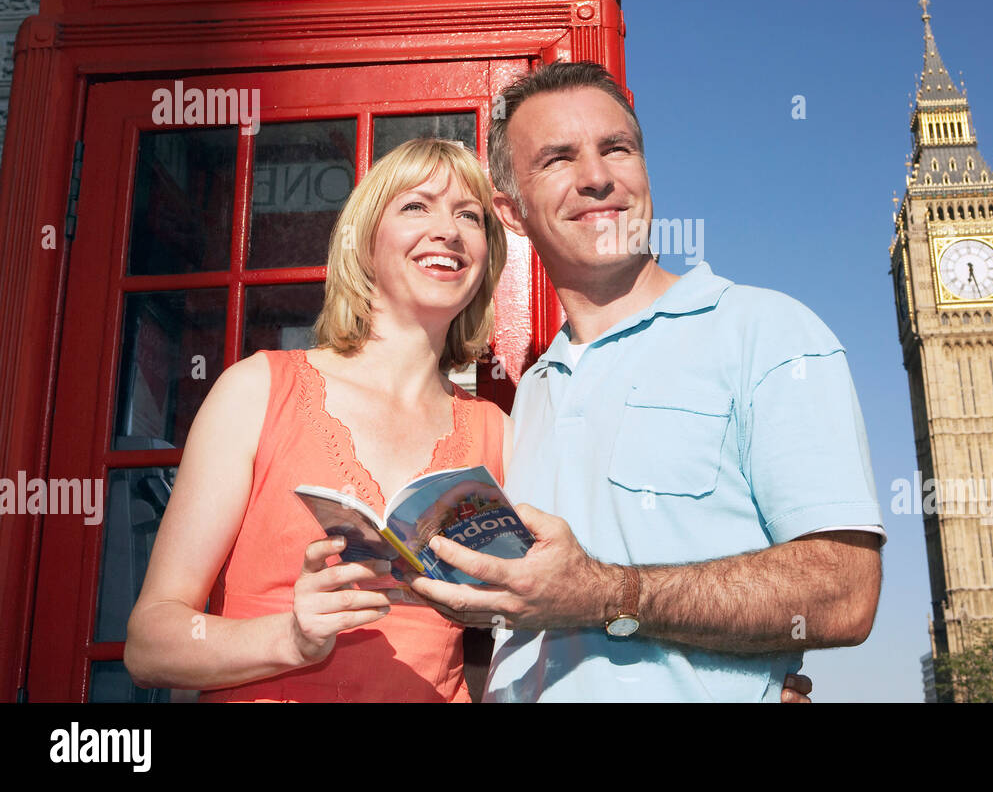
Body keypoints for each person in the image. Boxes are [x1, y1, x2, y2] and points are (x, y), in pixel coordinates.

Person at [408, 61, 886, 701]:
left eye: (617, 149)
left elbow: (846, 590)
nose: (597, 178)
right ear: (511, 212)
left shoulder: (766, 333)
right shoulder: (529, 394)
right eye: (558, 159)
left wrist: (605, 593)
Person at [124, 137, 510, 702]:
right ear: (364, 242)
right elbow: (148, 645)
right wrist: (291, 638)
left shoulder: (499, 431)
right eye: (415, 206)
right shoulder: (257, 390)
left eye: (468, 215)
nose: (447, 230)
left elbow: (500, 647)